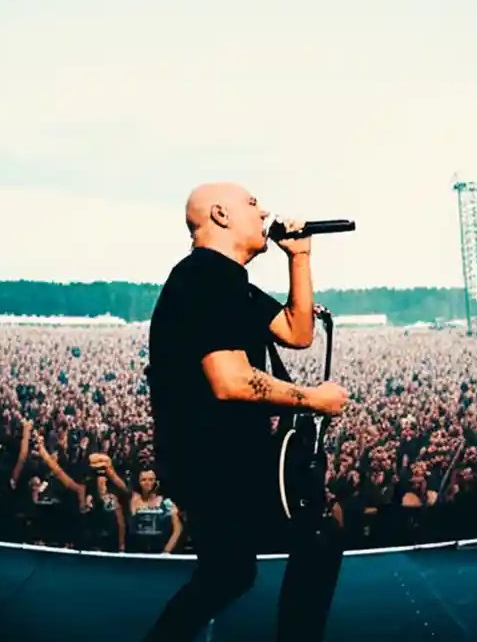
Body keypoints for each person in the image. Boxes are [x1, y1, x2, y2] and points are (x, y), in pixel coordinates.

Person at [141, 182, 350, 641]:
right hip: (214, 460)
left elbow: (297, 332)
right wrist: (314, 398)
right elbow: (231, 379)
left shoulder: (228, 282)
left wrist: (300, 257)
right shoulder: (204, 278)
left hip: (209, 458)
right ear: (220, 214)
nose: (264, 212)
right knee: (319, 533)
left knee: (228, 575)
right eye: (252, 204)